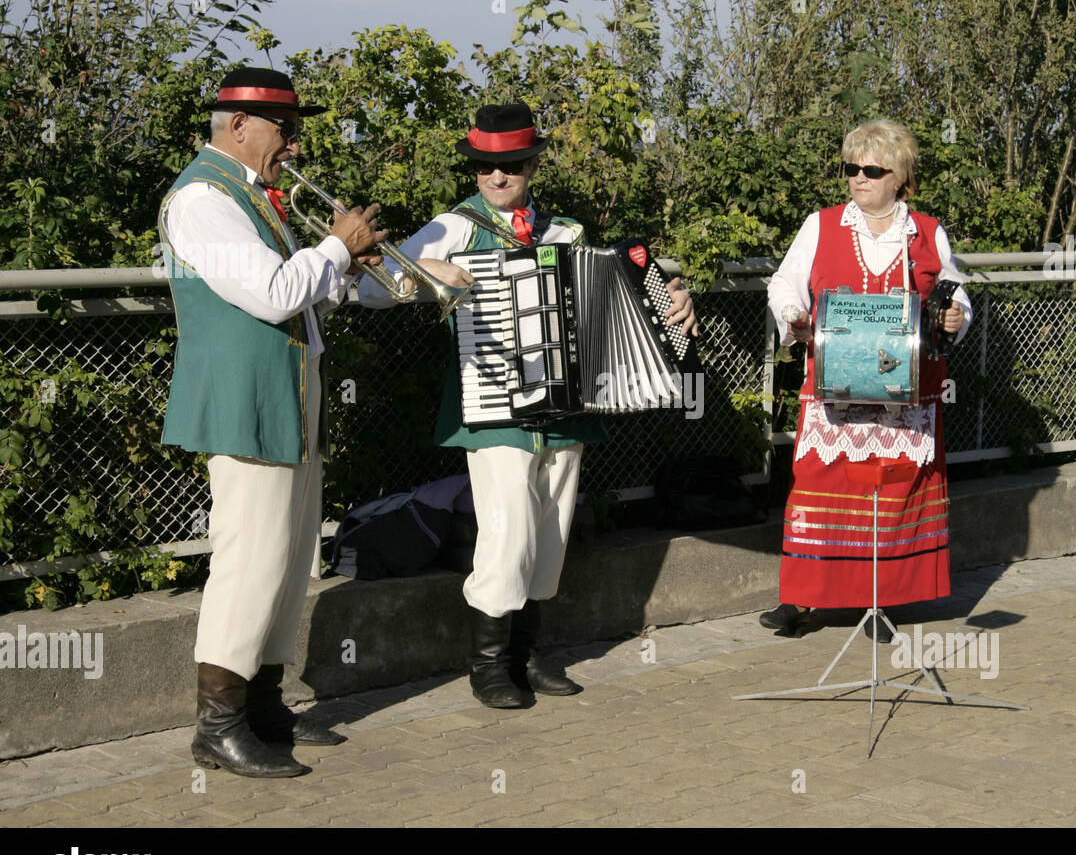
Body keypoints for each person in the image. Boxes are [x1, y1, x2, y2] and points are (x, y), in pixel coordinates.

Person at [359, 103, 697, 708]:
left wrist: (670, 296)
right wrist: (424, 268)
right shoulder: (453, 226)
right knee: (507, 531)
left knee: (550, 535)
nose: (495, 176)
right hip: (492, 402)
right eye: (485, 166)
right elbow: (369, 285)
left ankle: (530, 653)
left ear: (533, 164)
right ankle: (487, 664)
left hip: (568, 408)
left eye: (509, 165)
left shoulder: (565, 233)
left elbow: (615, 303)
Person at [160, 67, 389, 776]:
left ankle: (262, 706)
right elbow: (269, 293)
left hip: (287, 391)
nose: (292, 145)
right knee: (248, 560)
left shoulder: (252, 194)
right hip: (244, 395)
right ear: (238, 126)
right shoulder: (203, 197)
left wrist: (344, 271)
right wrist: (336, 250)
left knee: (289, 559)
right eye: (284, 130)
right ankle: (216, 727)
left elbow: (299, 293)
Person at [761, 118, 972, 636]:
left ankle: (880, 601)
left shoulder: (928, 231)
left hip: (905, 392)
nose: (859, 177)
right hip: (835, 387)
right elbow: (784, 282)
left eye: (871, 169)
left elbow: (957, 296)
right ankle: (803, 599)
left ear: (899, 176)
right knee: (817, 486)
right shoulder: (821, 224)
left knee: (893, 491)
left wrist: (954, 318)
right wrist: (794, 315)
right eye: (851, 168)